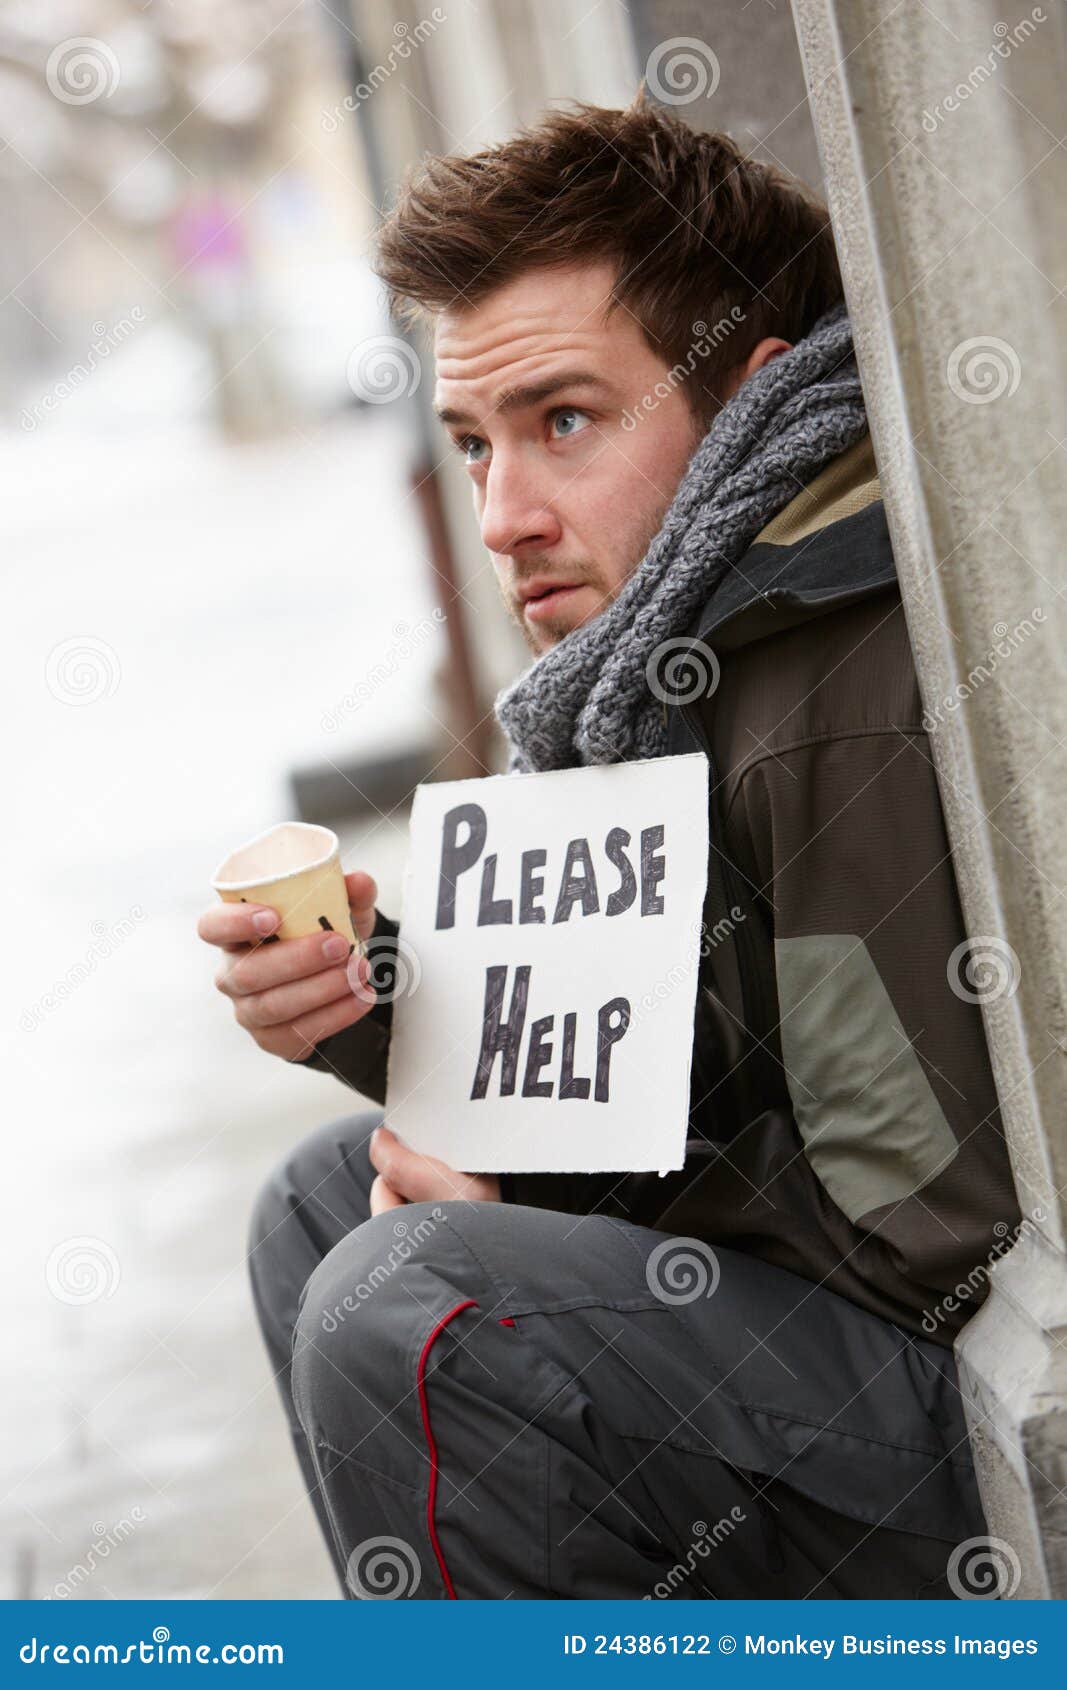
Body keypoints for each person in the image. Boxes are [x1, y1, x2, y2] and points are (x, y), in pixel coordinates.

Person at [198, 101, 1016, 1600]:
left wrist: (521, 1210)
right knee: (319, 1206)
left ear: (755, 402)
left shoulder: (826, 690)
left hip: (960, 1432)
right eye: (471, 444)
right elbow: (707, 1057)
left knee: (412, 1299)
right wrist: (377, 1005)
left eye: (562, 422)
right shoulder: (657, 666)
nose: (502, 516)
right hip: (827, 1344)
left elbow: (926, 1249)